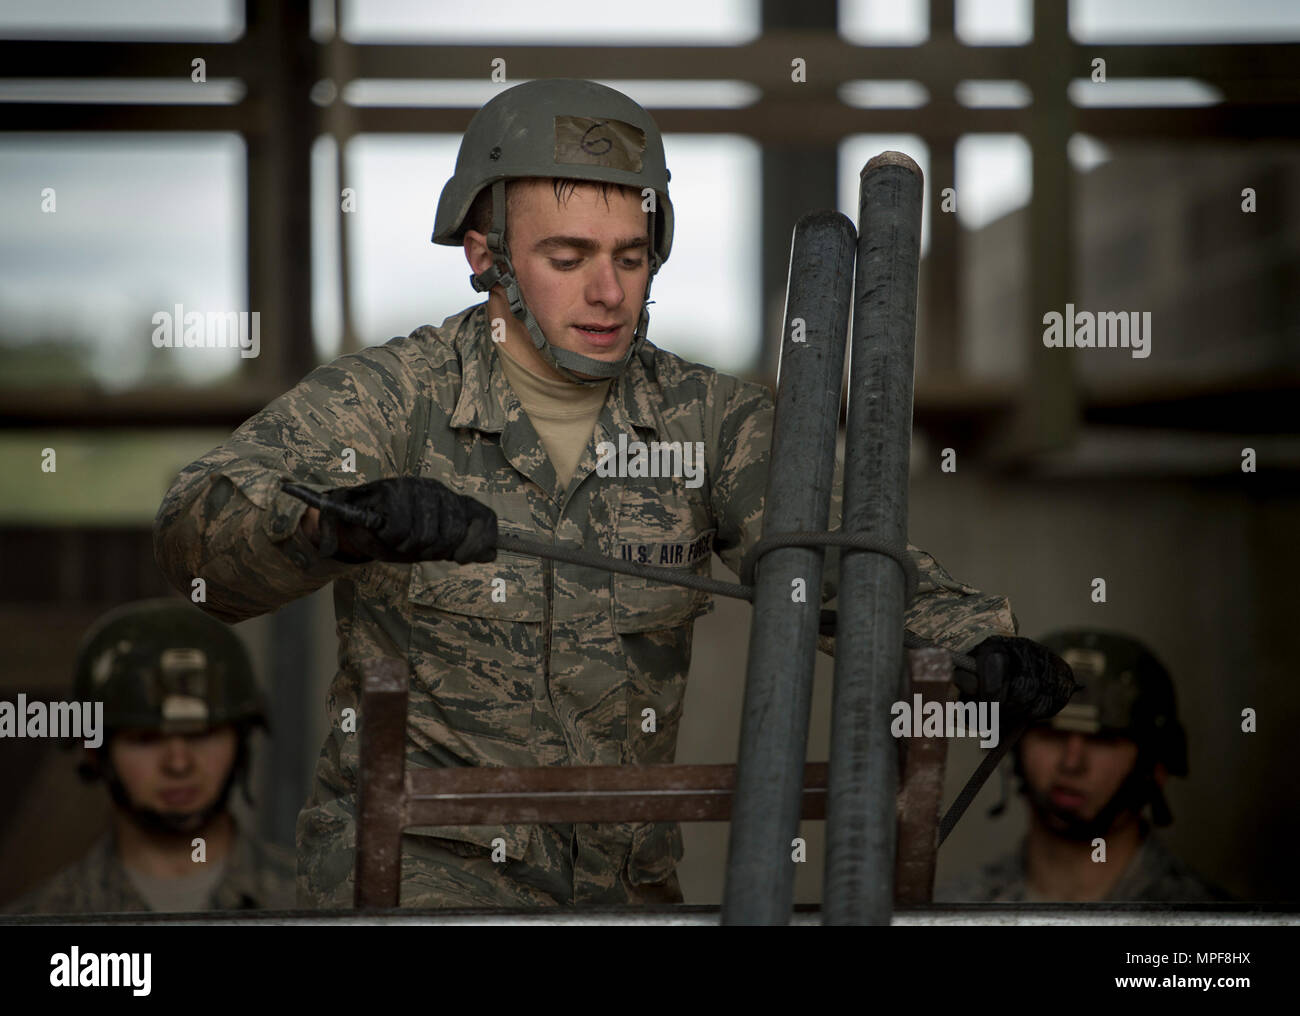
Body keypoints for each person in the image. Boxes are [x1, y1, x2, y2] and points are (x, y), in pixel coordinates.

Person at [153, 78, 1061, 909]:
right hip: (417, 876)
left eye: (631, 256)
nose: (607, 291)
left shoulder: (707, 421)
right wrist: (331, 525)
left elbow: (839, 564)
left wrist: (979, 644)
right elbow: (196, 541)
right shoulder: (391, 398)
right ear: (485, 254)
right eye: (568, 254)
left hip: (625, 893)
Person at [5, 599, 295, 914]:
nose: (179, 763)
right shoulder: (44, 917)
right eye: (145, 739)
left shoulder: (324, 903)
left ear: (240, 739)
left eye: (202, 734)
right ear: (93, 750)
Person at [938, 628, 1227, 903]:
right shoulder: (952, 912)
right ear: (1011, 746)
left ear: (1157, 766)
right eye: (1052, 735)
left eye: (1103, 741)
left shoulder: (1210, 919)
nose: (1072, 762)